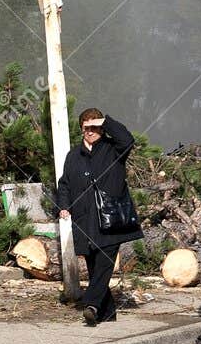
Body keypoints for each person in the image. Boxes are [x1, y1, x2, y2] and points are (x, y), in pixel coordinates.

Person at [54, 107, 144, 326]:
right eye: (87, 127)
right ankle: (108, 312)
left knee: (104, 263)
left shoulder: (113, 149)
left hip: (110, 220)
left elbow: (127, 139)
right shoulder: (73, 155)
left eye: (95, 126)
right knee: (95, 266)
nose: (91, 131)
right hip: (84, 221)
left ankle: (92, 304)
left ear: (102, 128)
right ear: (81, 129)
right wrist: (64, 206)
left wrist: (105, 121)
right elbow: (64, 184)